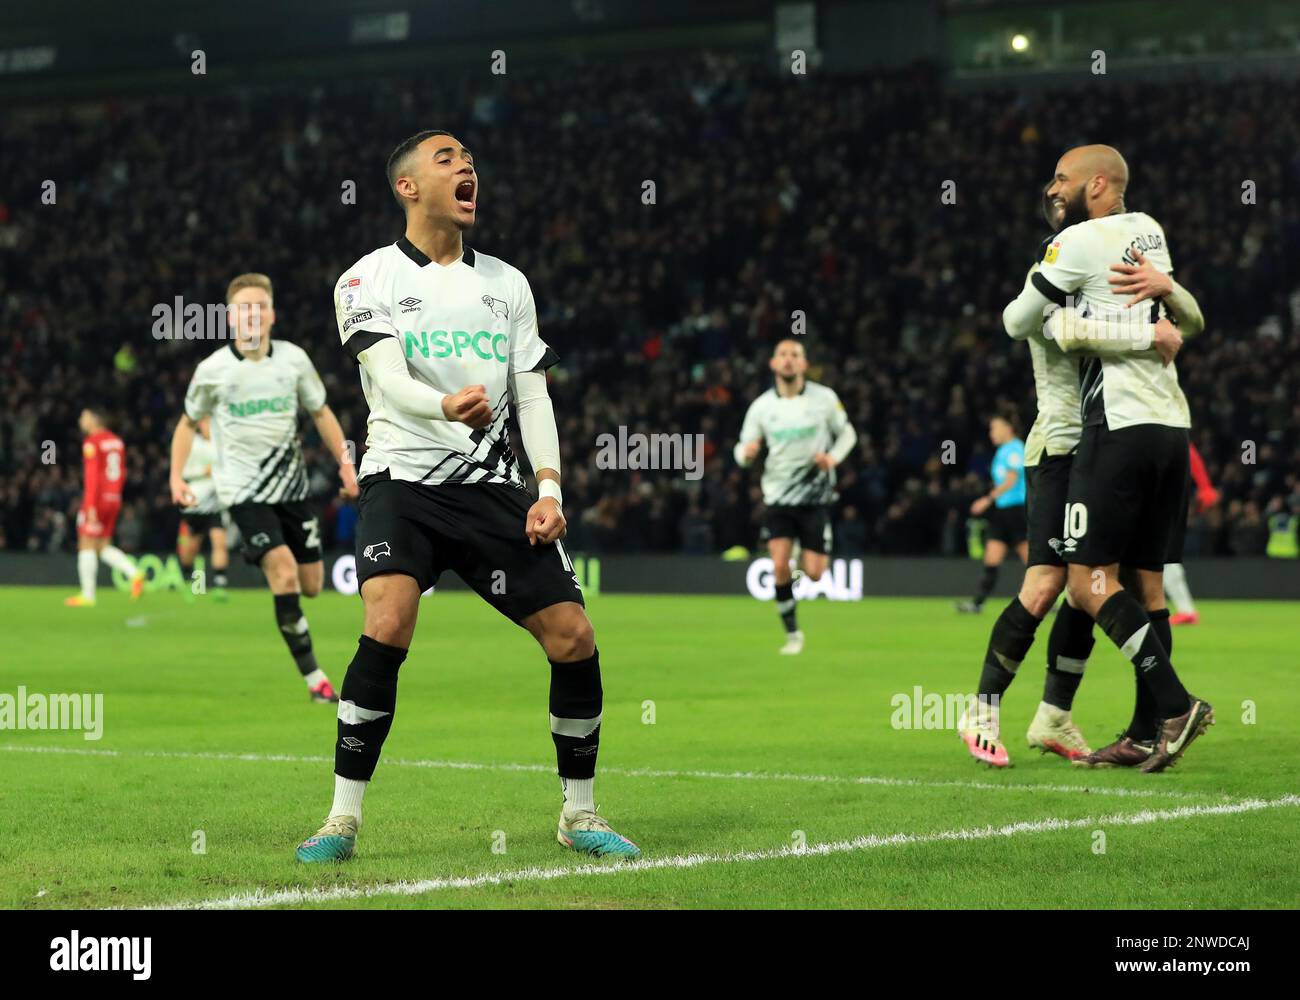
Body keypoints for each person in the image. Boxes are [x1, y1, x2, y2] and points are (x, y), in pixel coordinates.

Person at [295, 130, 640, 863]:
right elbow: (384, 380)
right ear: (408, 187)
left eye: (472, 163)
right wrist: (441, 408)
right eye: (448, 160)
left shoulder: (508, 285)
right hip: (403, 483)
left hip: (492, 491)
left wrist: (547, 486)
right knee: (388, 621)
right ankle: (340, 820)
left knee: (574, 636)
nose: (468, 170)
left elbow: (534, 394)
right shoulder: (366, 279)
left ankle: (579, 815)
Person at [1004, 144, 1213, 773]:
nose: (1054, 188)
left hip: (1116, 427)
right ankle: (1148, 733)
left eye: (1063, 179)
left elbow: (1019, 321)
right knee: (1148, 586)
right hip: (1172, 425)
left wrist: (1070, 319)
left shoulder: (1079, 241)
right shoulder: (1149, 231)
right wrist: (1165, 306)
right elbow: (1188, 321)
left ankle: (1175, 707)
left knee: (1086, 581)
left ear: (1098, 184)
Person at [170, 272, 358, 702]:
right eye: (243, 309)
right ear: (230, 318)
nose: (251, 315)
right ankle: (316, 681)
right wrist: (175, 476)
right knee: (284, 572)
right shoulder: (213, 371)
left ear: (272, 315)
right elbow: (186, 424)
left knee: (312, 584)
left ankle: (270, 564)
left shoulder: (293, 361)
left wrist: (346, 467)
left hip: (292, 491)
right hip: (244, 493)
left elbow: (322, 413)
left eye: (259, 307)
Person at [734, 339, 857, 655]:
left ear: (804, 364)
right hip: (778, 496)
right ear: (773, 364)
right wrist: (745, 454)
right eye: (783, 355)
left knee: (816, 572)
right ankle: (793, 635)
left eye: (795, 355)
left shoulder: (824, 398)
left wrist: (833, 458)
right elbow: (741, 448)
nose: (789, 360)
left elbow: (848, 433)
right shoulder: (762, 407)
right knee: (778, 566)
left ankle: (802, 559)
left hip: (814, 496)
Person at [64, 406, 145, 607]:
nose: (81, 421)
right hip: (114, 499)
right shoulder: (117, 442)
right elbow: (122, 472)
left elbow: (92, 476)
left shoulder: (92, 443)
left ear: (95, 419)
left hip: (97, 500)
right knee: (102, 546)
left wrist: (90, 505)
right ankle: (134, 574)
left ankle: (88, 595)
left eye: (84, 416)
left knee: (86, 543)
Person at [956, 414, 1027, 614]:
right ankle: (977, 603)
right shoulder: (1002, 451)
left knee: (1030, 559)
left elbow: (1012, 479)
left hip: (1016, 510)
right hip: (1002, 512)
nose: (991, 433)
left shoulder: (1015, 448)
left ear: (1008, 428)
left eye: (994, 428)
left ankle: (1051, 599)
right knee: (991, 558)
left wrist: (987, 499)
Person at [176, 416, 230, 602]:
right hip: (195, 502)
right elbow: (182, 473)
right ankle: (191, 582)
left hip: (216, 502)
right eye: (206, 423)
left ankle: (220, 584)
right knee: (191, 548)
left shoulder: (221, 444)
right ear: (200, 424)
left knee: (219, 541)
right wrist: (202, 472)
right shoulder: (192, 444)